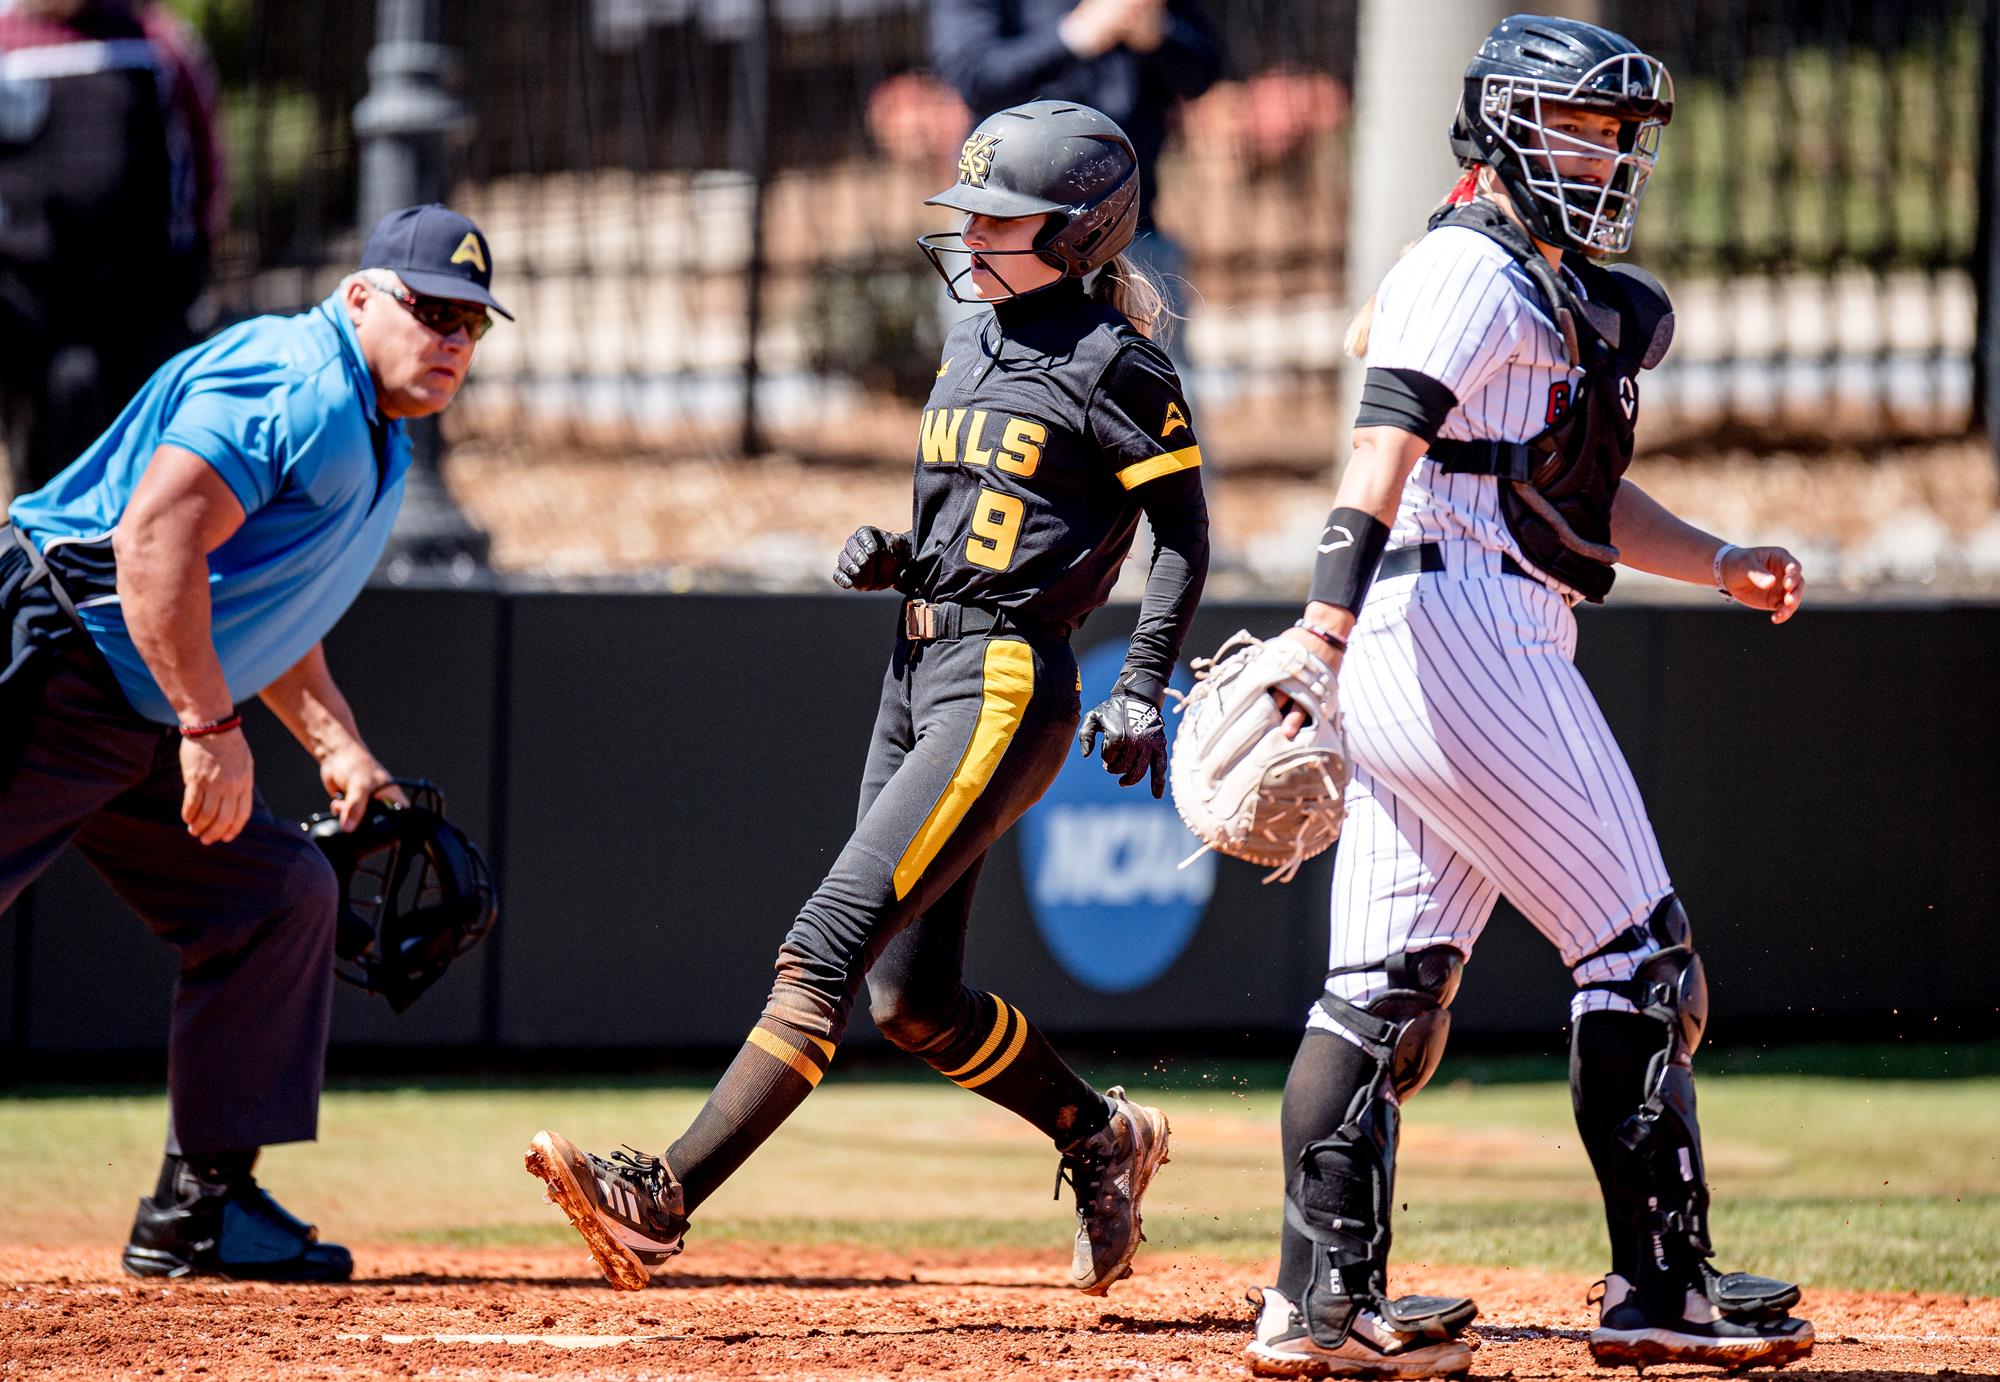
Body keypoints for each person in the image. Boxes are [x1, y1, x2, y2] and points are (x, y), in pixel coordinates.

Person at [527, 100, 1209, 1298]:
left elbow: (1183, 539)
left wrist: (1142, 684)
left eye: (1000, 216)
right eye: (971, 211)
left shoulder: (1119, 364)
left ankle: (664, 1196)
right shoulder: (969, 340)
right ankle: (1099, 1133)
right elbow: (996, 513)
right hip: (915, 665)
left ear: (1080, 228)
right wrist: (902, 552)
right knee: (911, 1000)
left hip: (1003, 679)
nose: (973, 232)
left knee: (828, 942)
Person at [1240, 16, 1815, 1378]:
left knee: (1384, 987)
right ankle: (1660, 1287)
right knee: (1643, 957)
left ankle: (1320, 1303)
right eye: (1584, 128)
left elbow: (1566, 489)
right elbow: (1380, 444)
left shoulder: (1541, 281)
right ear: (1506, 125)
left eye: (1623, 137)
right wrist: (1317, 629)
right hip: (1461, 632)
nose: (1611, 158)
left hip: (1442, 625)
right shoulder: (1469, 264)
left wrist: (1718, 560)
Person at [0, 203, 508, 1281]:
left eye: (473, 321)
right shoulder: (298, 380)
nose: (454, 338)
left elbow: (252, 596)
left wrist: (337, 743)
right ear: (362, 297)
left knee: (278, 892)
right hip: (53, 659)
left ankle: (202, 1208)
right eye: (432, 310)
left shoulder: (370, 416)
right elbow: (155, 542)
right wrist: (208, 723)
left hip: (132, 688)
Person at [929, 0, 1220, 355]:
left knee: (1154, 392)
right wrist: (1074, 36)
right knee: (992, 381)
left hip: (1129, 233)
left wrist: (1159, 34)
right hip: (1010, 233)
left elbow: (1204, 69)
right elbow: (974, 74)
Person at [0, 0, 198, 499]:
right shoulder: (5, 37)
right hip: (23, 304)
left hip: (134, 298)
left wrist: (190, 264)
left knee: (134, 458)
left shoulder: (156, 41)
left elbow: (200, 157)